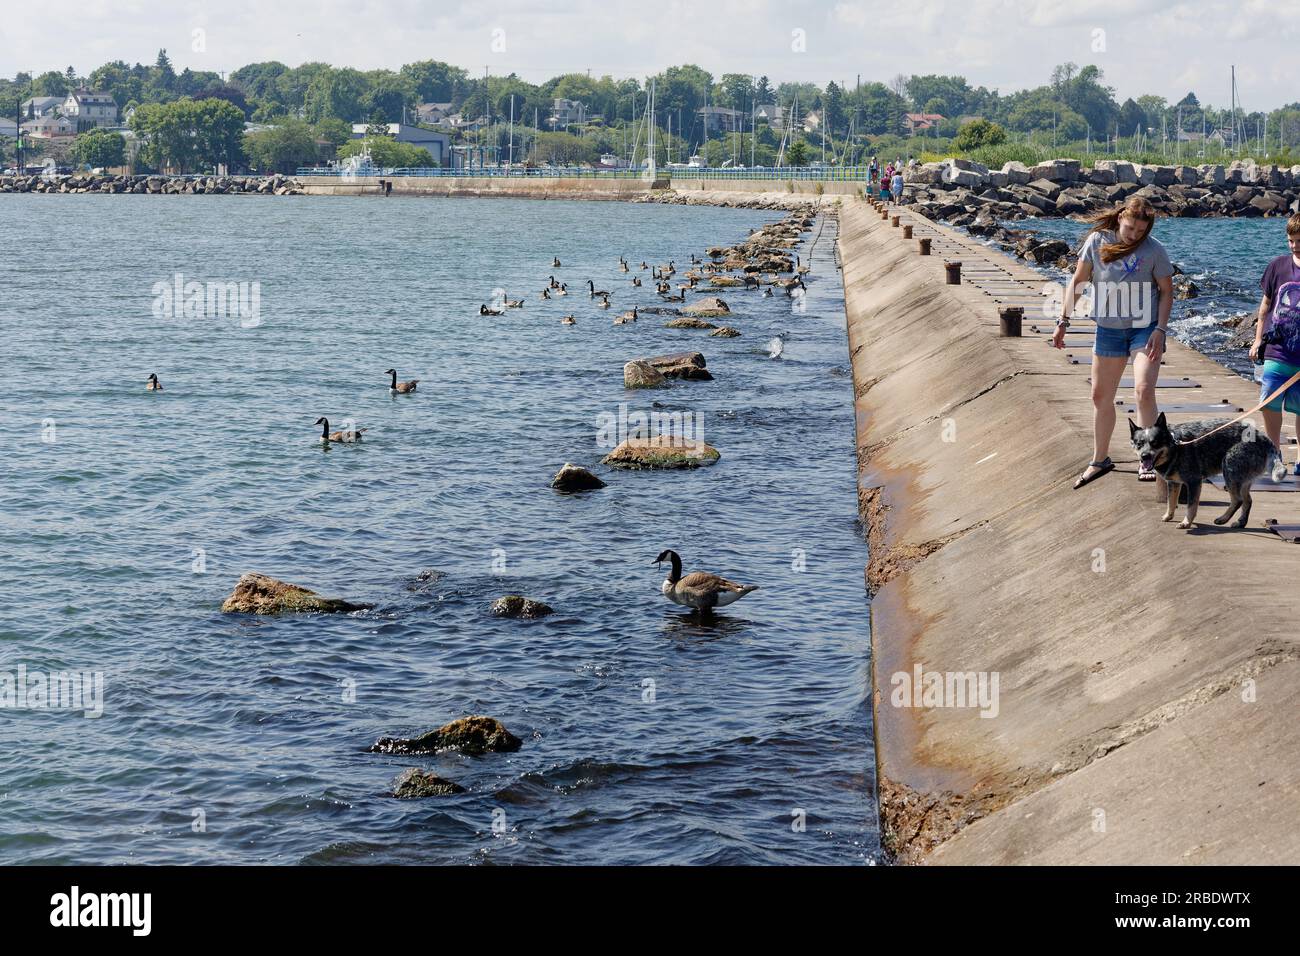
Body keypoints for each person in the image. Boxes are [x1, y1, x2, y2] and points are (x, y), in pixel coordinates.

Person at [1053, 196, 1174, 487]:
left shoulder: (1155, 251)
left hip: (1144, 329)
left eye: (1140, 231)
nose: (1134, 235)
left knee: (1144, 389)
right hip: (1108, 328)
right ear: (1121, 217)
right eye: (1131, 228)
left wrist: (1160, 329)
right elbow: (1079, 281)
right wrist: (1063, 321)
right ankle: (1100, 459)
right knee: (1099, 396)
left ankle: (1150, 459)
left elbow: (1167, 292)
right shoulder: (1097, 241)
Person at [1250, 211, 1300, 475]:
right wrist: (1257, 340)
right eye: (1291, 240)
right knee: (1269, 402)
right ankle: (1275, 453)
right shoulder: (1277, 266)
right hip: (1277, 351)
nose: (1295, 246)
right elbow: (1266, 306)